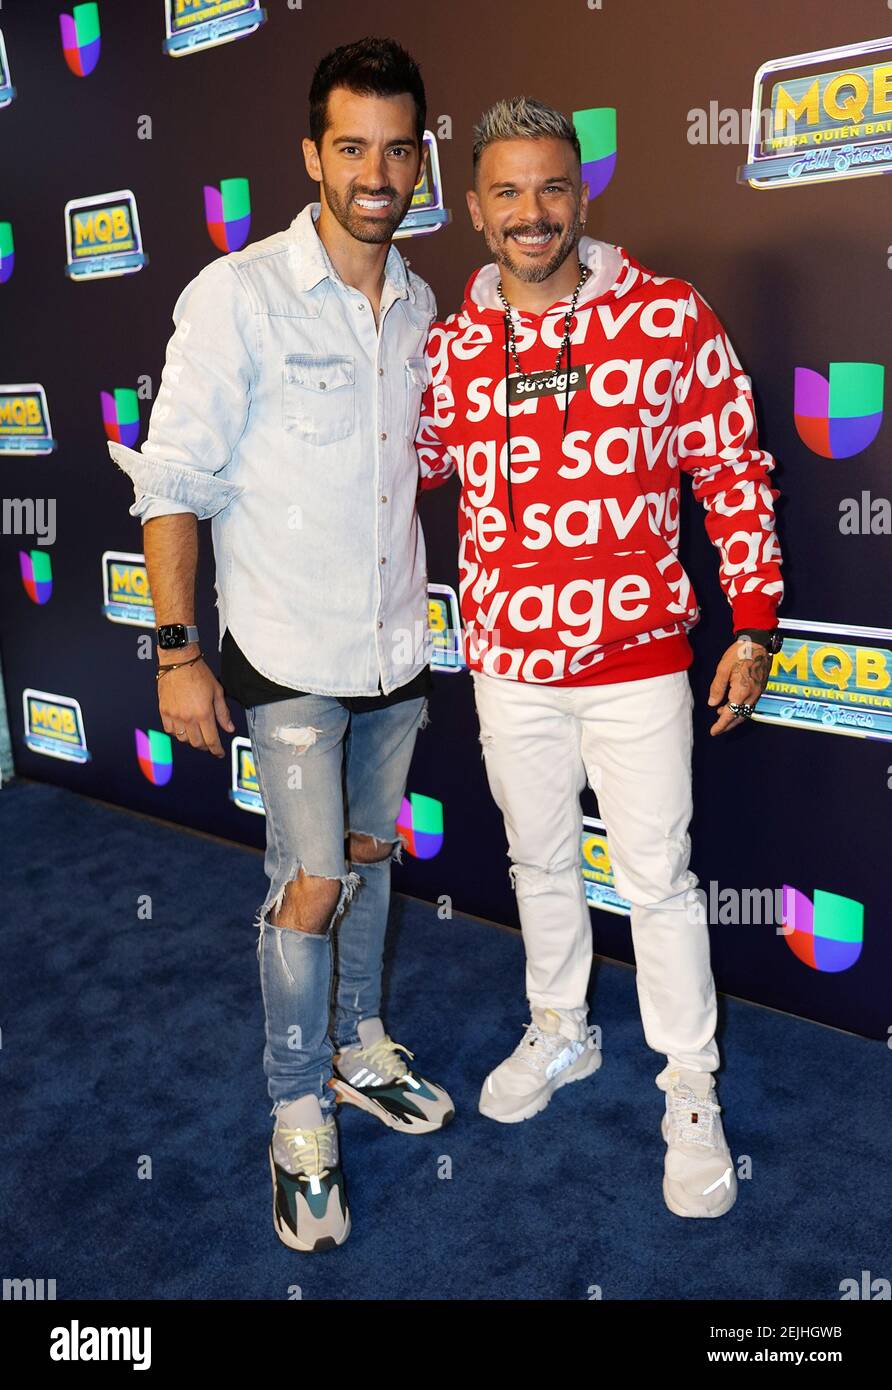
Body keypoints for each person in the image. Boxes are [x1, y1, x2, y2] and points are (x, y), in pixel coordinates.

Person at [108, 37, 453, 1255]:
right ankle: (299, 1109)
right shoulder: (235, 294)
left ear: (421, 160)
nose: (375, 170)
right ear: (312, 156)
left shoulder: (420, 304)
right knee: (306, 883)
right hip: (286, 655)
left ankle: (360, 1048)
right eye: (350, 146)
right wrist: (174, 649)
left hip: (394, 651)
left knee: (365, 855)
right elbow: (174, 482)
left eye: (397, 148)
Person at [416, 95, 784, 1218]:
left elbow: (733, 468)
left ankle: (688, 1085)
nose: (535, 212)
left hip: (634, 662)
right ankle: (563, 1029)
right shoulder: (450, 348)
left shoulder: (670, 317)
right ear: (475, 211)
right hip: (508, 664)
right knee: (537, 864)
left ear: (583, 194)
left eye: (553, 186)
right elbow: (394, 465)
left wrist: (754, 620)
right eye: (509, 192)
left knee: (658, 883)